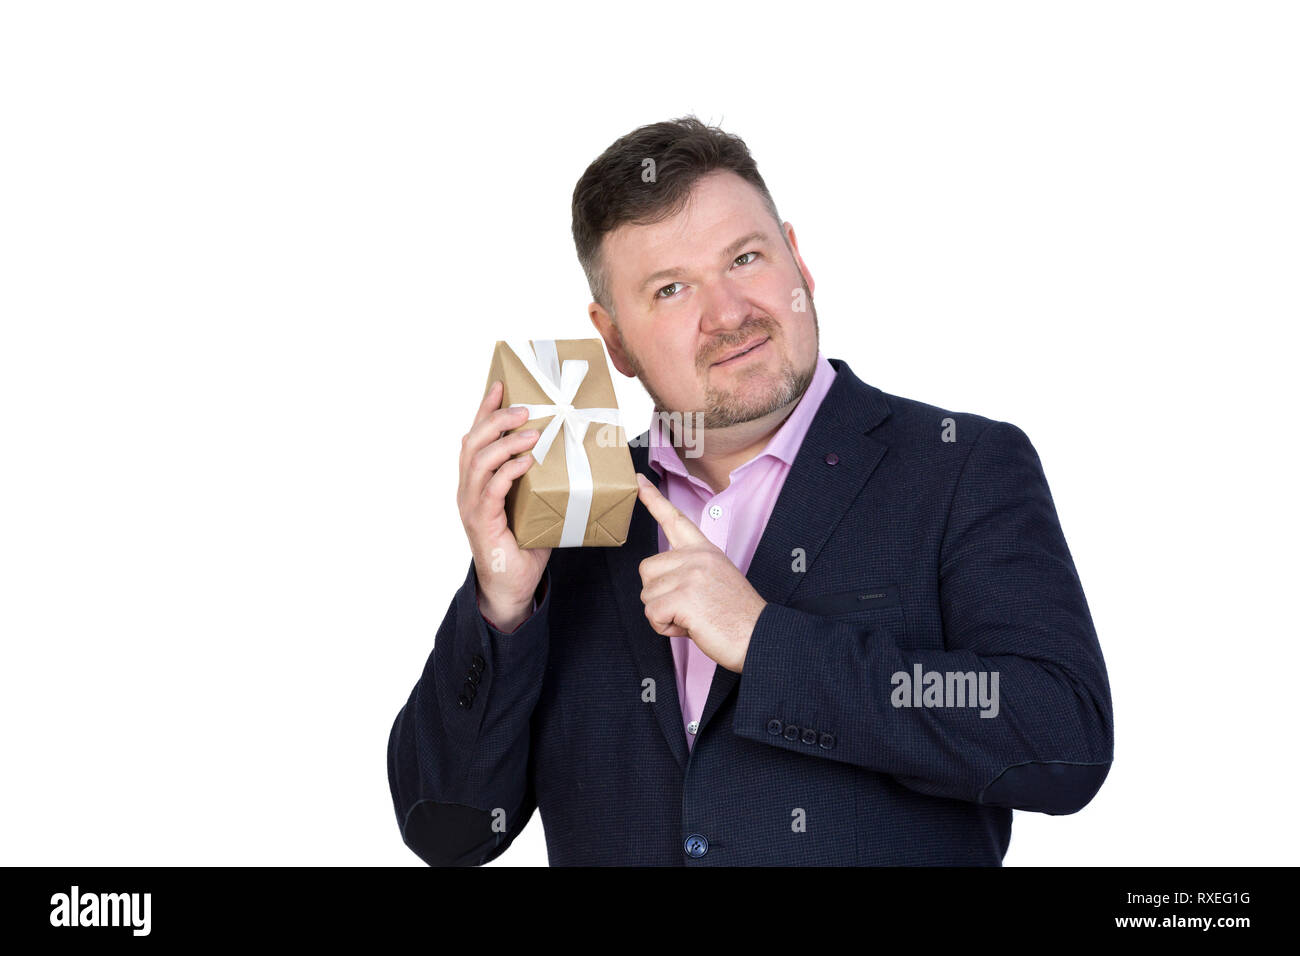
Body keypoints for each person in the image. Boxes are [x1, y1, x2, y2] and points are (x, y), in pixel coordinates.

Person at [386, 116, 1113, 866]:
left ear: (797, 260)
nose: (729, 313)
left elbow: (1060, 740)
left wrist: (769, 645)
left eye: (746, 257)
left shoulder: (961, 468)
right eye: (671, 289)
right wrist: (501, 605)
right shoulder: (571, 519)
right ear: (614, 342)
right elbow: (451, 831)